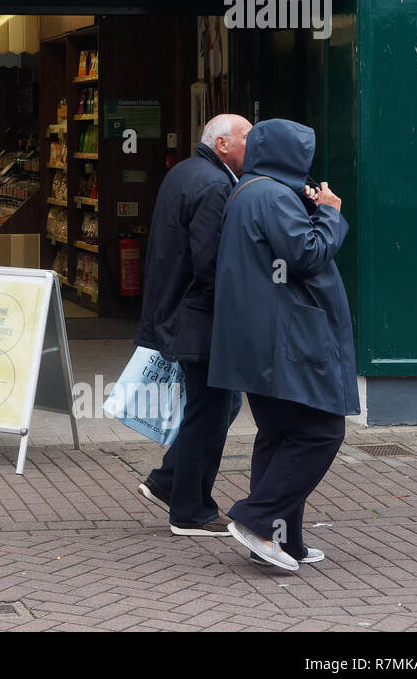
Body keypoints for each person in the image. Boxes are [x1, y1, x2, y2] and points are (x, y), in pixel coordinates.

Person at [209, 118, 359, 572]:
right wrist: (330, 211)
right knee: (321, 430)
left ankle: (282, 540)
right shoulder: (273, 195)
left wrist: (309, 208)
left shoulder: (250, 189)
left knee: (279, 433)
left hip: (260, 339)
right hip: (286, 338)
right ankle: (257, 520)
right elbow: (307, 254)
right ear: (294, 156)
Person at [133, 113, 251, 536]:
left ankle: (167, 481)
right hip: (198, 318)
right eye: (246, 138)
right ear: (222, 144)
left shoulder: (186, 171)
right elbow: (212, 261)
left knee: (222, 403)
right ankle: (191, 510)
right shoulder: (216, 185)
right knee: (212, 407)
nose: (252, 146)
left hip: (179, 312)